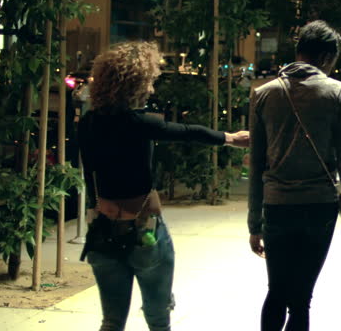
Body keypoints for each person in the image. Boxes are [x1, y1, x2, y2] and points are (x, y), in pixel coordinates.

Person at [78, 41, 249, 331]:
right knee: (158, 320)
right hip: (144, 230)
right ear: (137, 84)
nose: (152, 88)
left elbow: (88, 173)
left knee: (111, 321)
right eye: (150, 81)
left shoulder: (89, 123)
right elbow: (187, 132)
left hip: (103, 233)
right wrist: (229, 138)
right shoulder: (139, 123)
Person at [248, 20, 341, 331]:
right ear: (328, 57)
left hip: (276, 207)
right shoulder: (339, 93)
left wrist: (254, 222)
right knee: (301, 298)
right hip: (319, 208)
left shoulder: (262, 94)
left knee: (276, 292)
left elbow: (256, 164)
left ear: (299, 51)